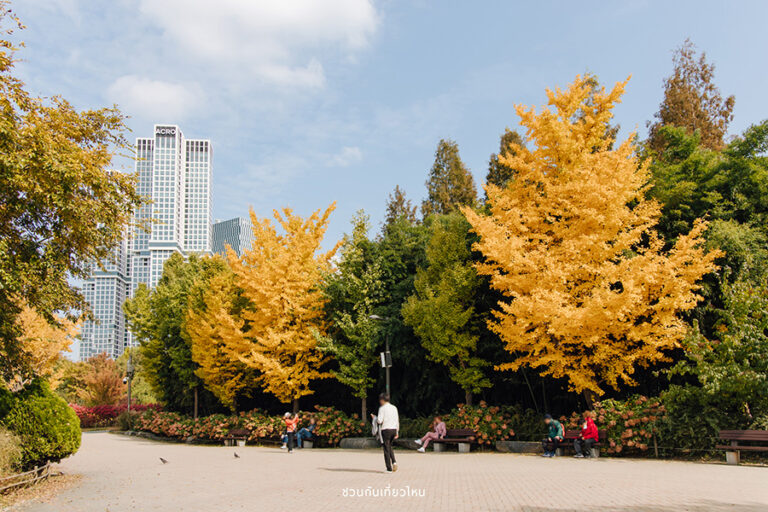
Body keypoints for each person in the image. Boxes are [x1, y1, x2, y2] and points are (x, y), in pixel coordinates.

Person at [371, 393, 399, 473]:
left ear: (382, 400)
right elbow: (397, 420)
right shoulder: (394, 408)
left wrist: (375, 418)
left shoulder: (382, 408)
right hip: (394, 429)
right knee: (389, 446)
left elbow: (380, 420)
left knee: (386, 448)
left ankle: (389, 468)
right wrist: (397, 431)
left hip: (386, 430)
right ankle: (394, 462)